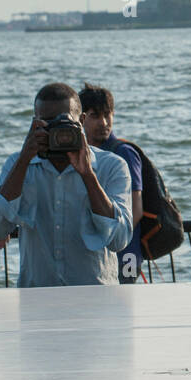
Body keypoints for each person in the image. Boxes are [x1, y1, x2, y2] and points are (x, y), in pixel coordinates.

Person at [0, 83, 133, 286]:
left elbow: (120, 239)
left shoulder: (111, 167)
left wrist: (88, 175)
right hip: (37, 299)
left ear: (81, 122)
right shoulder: (18, 164)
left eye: (64, 123)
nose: (57, 131)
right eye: (47, 123)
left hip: (96, 301)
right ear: (35, 123)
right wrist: (24, 159)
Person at [79, 84, 144, 283]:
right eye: (95, 116)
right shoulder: (80, 154)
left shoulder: (123, 153)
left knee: (125, 304)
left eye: (108, 114)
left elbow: (136, 209)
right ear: (81, 118)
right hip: (96, 257)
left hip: (127, 254)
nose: (104, 122)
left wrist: (106, 240)